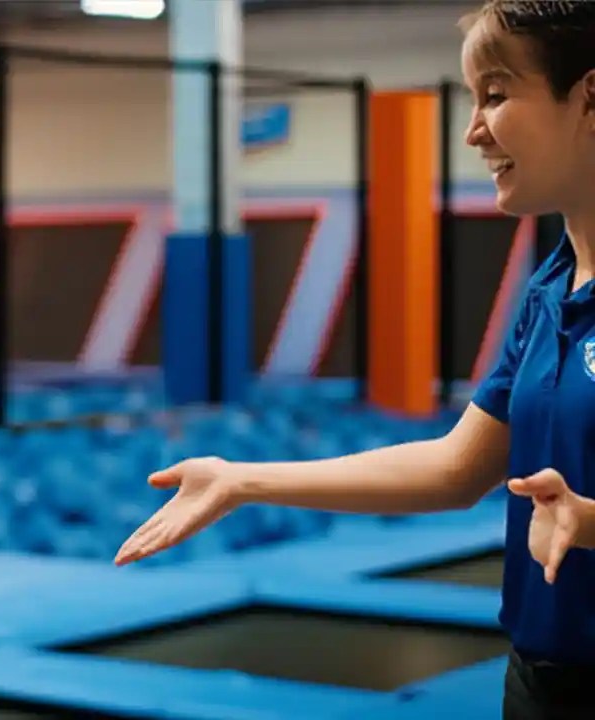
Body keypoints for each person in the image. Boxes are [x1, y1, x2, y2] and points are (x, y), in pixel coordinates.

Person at [116, 1, 595, 717]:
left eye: (496, 96)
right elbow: (456, 468)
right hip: (538, 678)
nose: (472, 130)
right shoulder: (550, 290)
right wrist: (241, 480)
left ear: (588, 98)